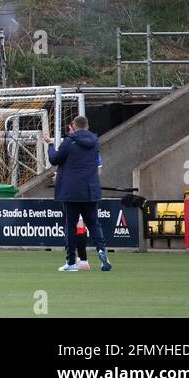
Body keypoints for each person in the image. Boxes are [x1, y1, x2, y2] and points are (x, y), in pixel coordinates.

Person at [46, 116, 111, 272]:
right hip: (90, 189)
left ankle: (71, 262)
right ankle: (102, 254)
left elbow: (55, 159)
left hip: (71, 191)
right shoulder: (95, 143)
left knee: (70, 225)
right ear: (87, 126)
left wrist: (50, 144)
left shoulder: (69, 142)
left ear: (73, 126)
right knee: (94, 224)